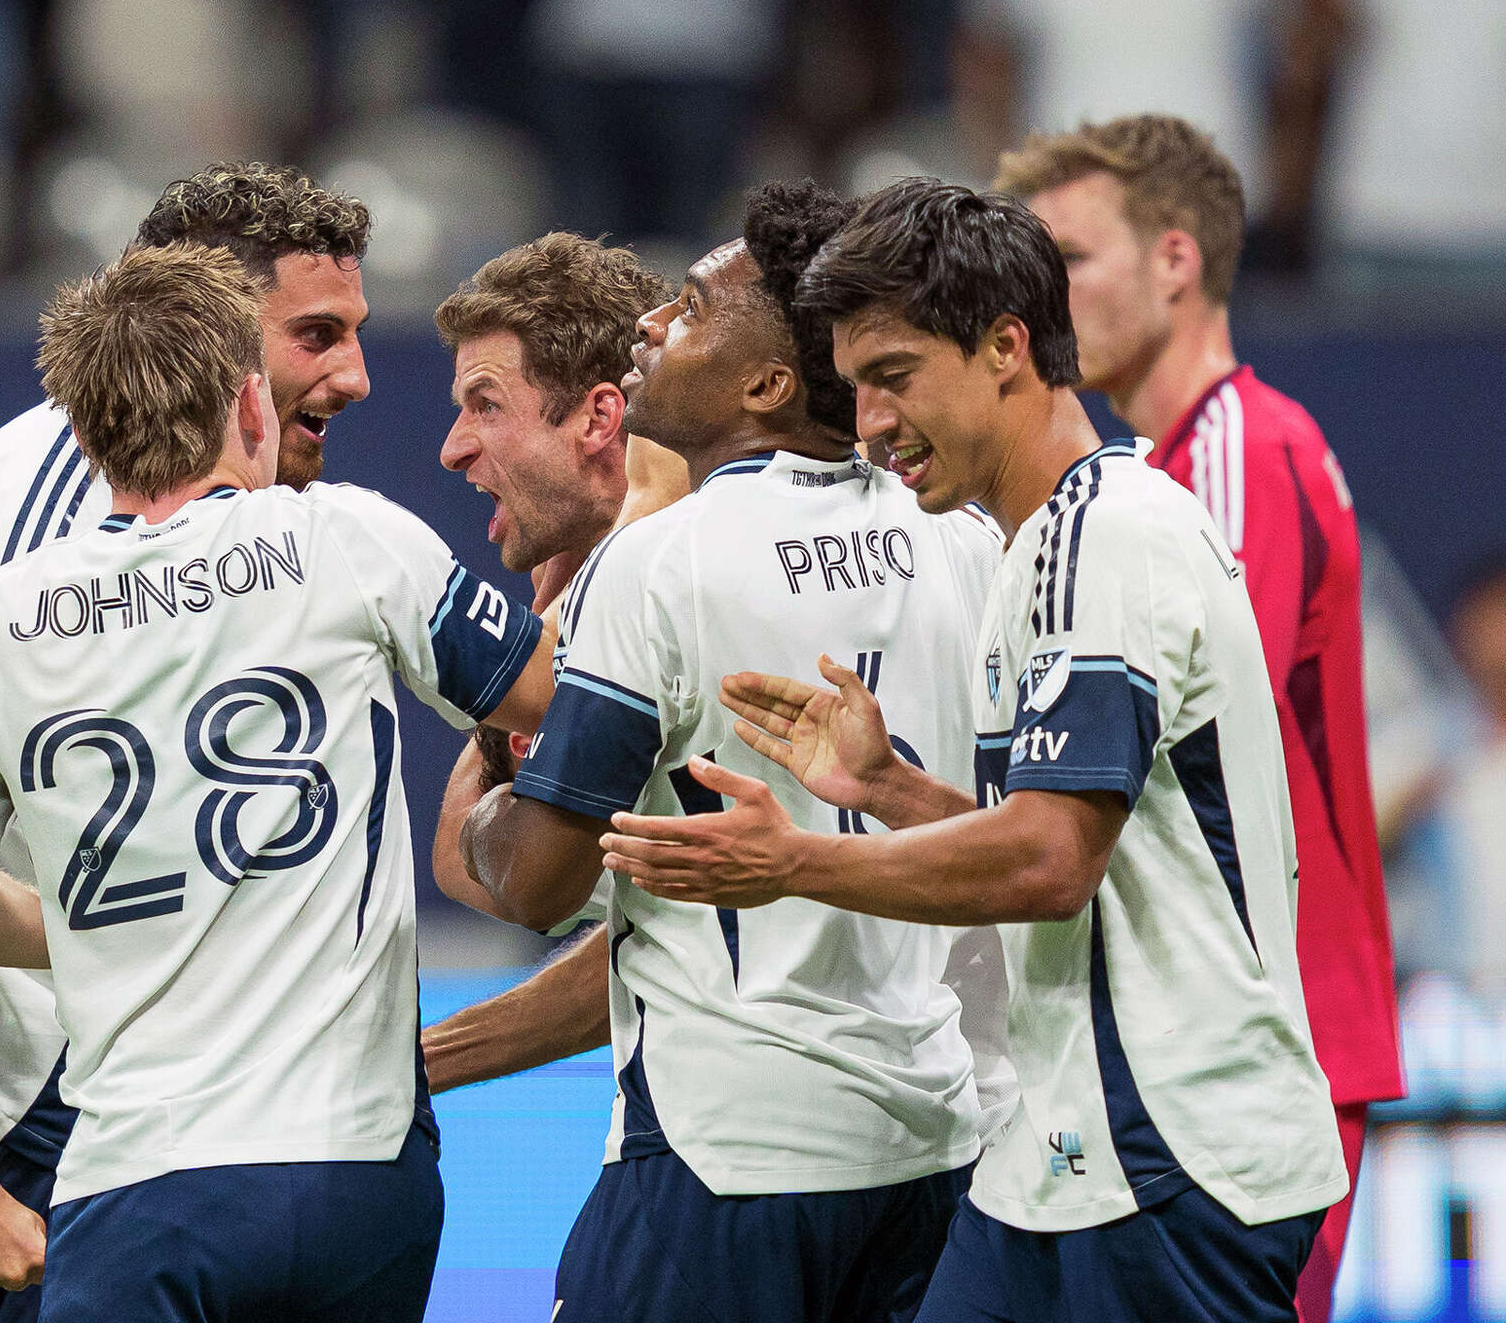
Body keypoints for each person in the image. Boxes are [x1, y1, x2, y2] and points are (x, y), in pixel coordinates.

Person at [597, 178, 1347, 1323]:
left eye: (894, 379)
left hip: (1171, 1159)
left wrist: (792, 861)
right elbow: (1083, 843)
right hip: (1055, 1160)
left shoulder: (1106, 539)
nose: (872, 425)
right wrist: (893, 790)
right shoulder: (1036, 544)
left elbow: (1050, 863)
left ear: (1005, 346)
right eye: (853, 390)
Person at [0, 240, 554, 1321]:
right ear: (251, 401)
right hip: (355, 1164)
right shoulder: (347, 540)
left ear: (88, 433)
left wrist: (101, 933)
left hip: (139, 1178)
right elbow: (558, 703)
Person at [456, 183, 1012, 1323]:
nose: (650, 327)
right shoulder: (958, 535)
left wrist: (482, 777)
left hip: (725, 1154)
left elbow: (537, 879)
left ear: (766, 385)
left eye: (691, 310)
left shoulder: (664, 563)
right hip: (935, 1147)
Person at [0, 160, 374, 1318]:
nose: (353, 374)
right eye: (316, 334)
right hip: (50, 1109)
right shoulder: (28, 527)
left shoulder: (254, 500)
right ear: (204, 328)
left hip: (232, 1091)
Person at [993, 114, 1402, 1322]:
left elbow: (1185, 756)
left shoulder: (1227, 458)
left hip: (1260, 1047)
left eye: (1070, 257)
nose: (1045, 296)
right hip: (1205, 1052)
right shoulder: (1176, 464)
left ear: (1176, 259)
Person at [420, 231, 678, 1083]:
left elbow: (527, 883)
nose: (454, 447)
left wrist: (421, 1063)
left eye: (485, 405)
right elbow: (462, 858)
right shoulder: (582, 596)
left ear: (602, 418)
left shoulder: (700, 585)